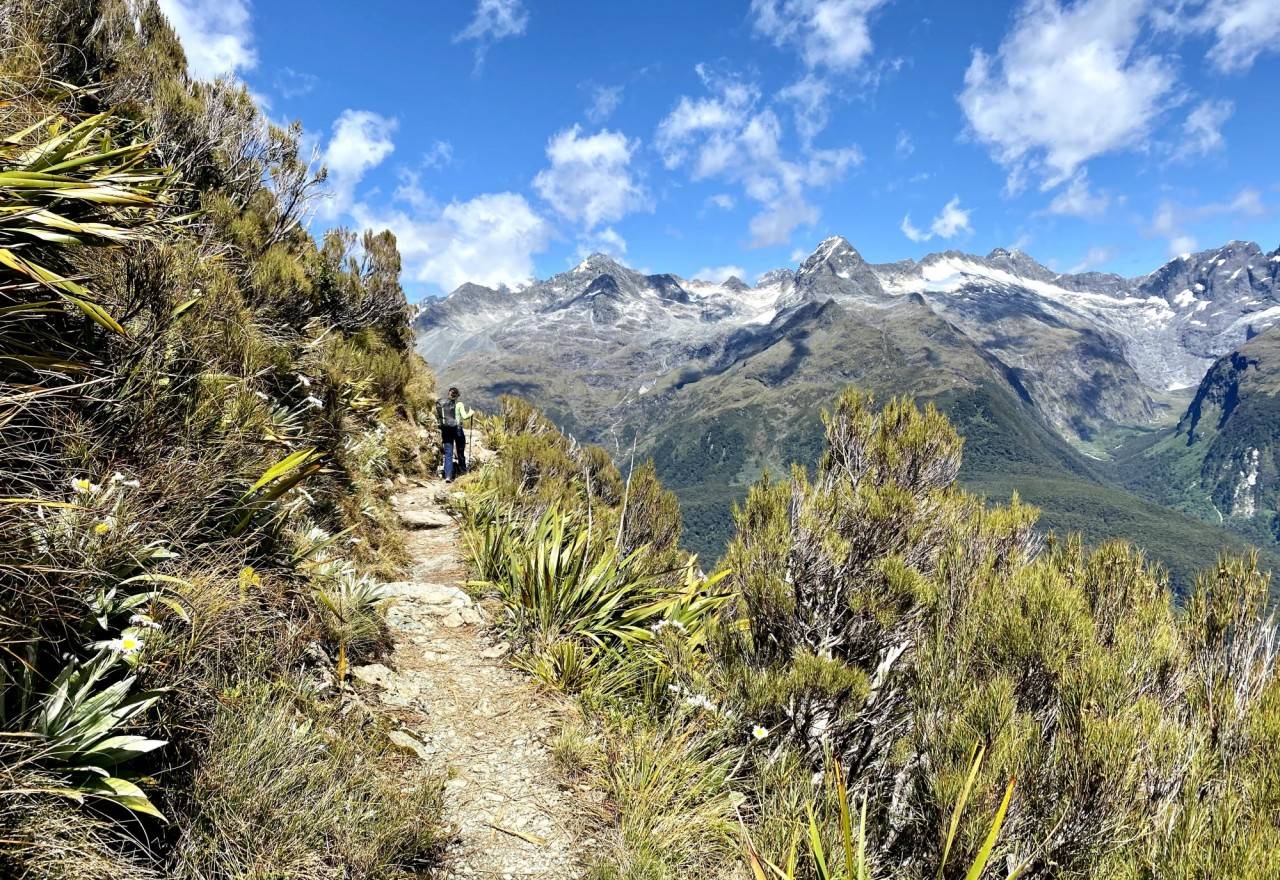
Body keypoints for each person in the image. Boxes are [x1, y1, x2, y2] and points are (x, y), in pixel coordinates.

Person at [436, 386, 473, 482]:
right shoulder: (459, 404)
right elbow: (464, 416)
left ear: (448, 394)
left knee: (448, 453)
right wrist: (470, 413)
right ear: (457, 396)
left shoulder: (443, 404)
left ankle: (448, 476)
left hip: (446, 430)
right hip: (457, 430)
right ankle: (463, 472)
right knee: (460, 451)